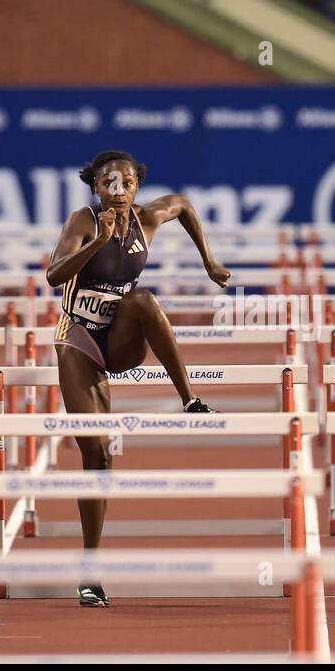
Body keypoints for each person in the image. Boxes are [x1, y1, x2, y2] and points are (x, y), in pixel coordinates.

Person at [45, 150, 231, 607]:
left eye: (127, 183)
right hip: (80, 341)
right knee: (98, 454)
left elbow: (184, 204)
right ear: (96, 187)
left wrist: (209, 260)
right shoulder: (83, 221)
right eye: (109, 182)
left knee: (145, 301)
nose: (119, 190)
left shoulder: (148, 219)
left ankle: (189, 399)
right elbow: (52, 276)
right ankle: (90, 574)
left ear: (136, 187)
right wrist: (95, 243)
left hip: (122, 339)